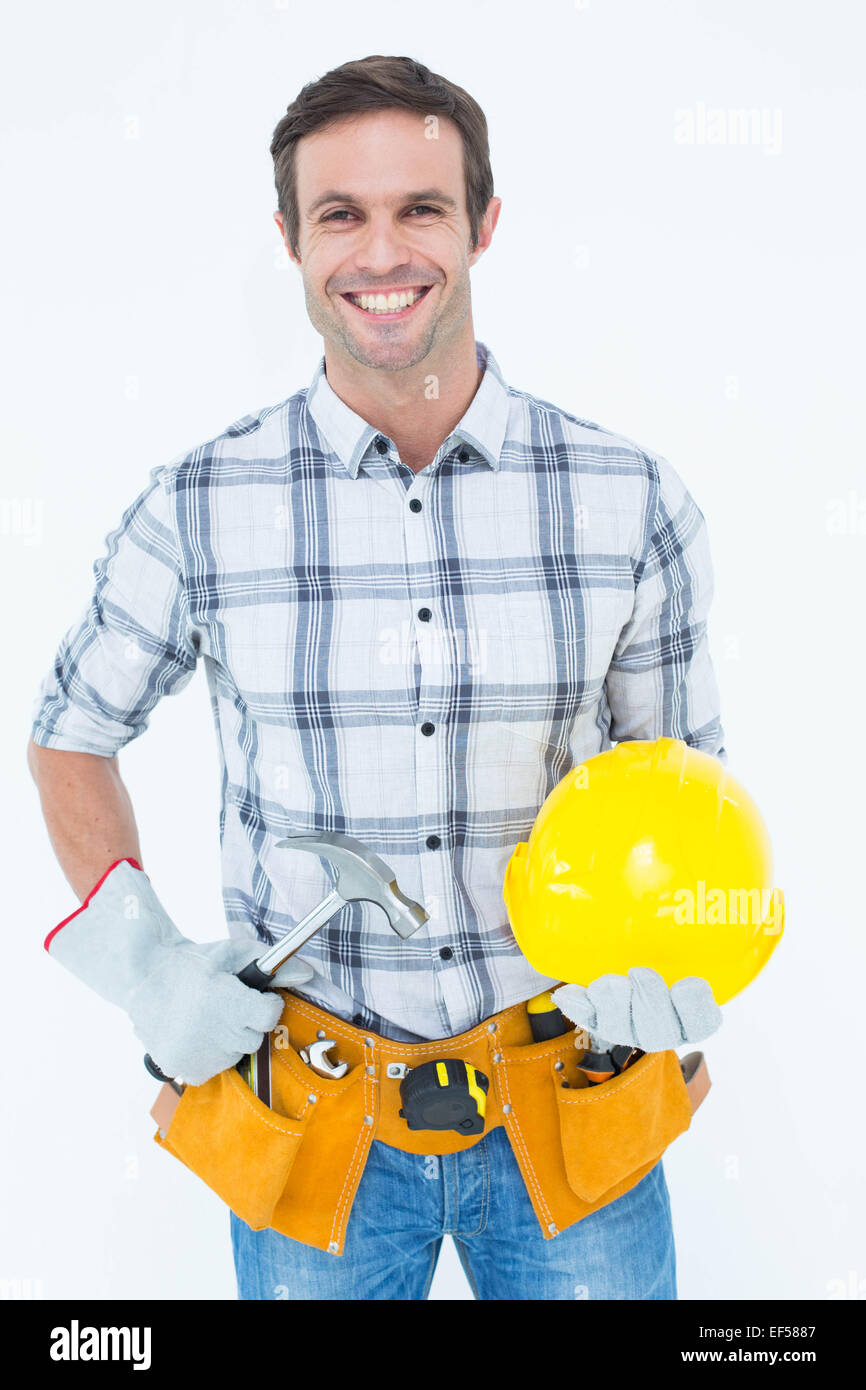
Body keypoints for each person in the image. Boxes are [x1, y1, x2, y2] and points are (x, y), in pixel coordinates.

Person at [28, 54, 725, 1301]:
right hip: (315, 1118)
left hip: (572, 1095)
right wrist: (147, 967)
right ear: (290, 238)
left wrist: (681, 963)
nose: (380, 249)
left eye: (421, 208)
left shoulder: (628, 502)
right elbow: (71, 734)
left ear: (483, 224)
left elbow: (675, 792)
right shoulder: (198, 507)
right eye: (340, 213)